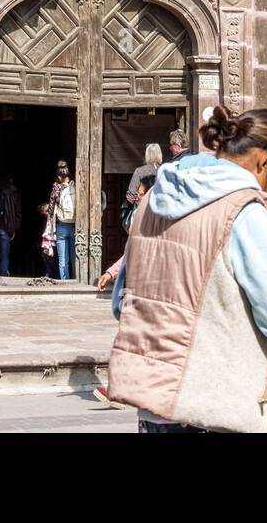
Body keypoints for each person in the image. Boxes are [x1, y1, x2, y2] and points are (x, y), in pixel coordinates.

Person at [107, 105, 267, 433]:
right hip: (215, 408)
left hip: (155, 412)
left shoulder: (149, 204)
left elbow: (122, 306)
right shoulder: (244, 210)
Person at [93, 174, 156, 410]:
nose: (137, 199)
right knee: (133, 342)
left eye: (140, 195)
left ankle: (121, 392)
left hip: (147, 293)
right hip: (136, 291)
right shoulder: (143, 220)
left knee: (133, 343)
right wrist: (110, 273)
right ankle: (124, 391)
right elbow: (130, 254)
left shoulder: (158, 224)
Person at [47, 160, 76, 280]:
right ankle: (78, 280)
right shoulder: (76, 186)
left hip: (61, 226)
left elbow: (51, 207)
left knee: (63, 260)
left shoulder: (56, 187)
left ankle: (65, 281)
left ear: (59, 176)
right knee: (75, 258)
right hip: (75, 225)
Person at [0, 173, 21, 277]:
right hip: (6, 228)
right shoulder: (14, 193)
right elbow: (18, 212)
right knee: (4, 255)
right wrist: (13, 227)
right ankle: (3, 274)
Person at [37, 202, 58, 281]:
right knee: (46, 256)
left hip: (53, 239)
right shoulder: (46, 219)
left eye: (45, 212)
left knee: (53, 258)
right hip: (48, 241)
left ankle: (54, 275)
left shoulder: (52, 217)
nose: (45, 214)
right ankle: (49, 273)